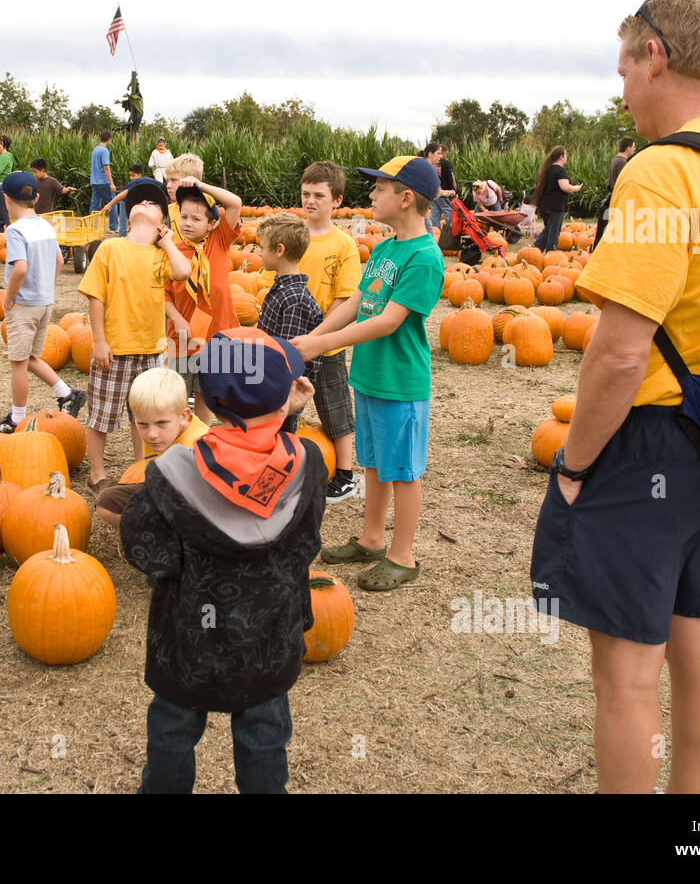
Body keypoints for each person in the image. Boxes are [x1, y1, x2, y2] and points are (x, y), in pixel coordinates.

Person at [530, 0, 700, 793]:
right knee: (697, 636)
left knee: (627, 674)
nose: (623, 90)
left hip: (653, 438)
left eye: (623, 69)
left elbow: (616, 355)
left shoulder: (662, 171)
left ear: (657, 56)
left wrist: (574, 463)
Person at [119, 328, 326, 794]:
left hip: (189, 645)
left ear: (205, 399)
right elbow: (303, 542)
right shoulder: (310, 465)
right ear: (282, 400)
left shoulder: (171, 477)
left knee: (172, 732)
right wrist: (285, 418)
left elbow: (145, 550)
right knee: (263, 737)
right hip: (268, 642)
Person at [292, 155, 443, 592]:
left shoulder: (425, 256)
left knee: (404, 471)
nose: (371, 195)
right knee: (375, 465)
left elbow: (388, 321)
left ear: (406, 197)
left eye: (379, 188)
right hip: (371, 377)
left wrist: (322, 345)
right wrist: (314, 335)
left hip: (402, 383)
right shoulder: (385, 248)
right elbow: (356, 302)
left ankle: (403, 555)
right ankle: (372, 539)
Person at [78, 178, 192, 492]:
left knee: (144, 414)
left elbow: (183, 272)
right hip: (114, 348)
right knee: (101, 414)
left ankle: (141, 469)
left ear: (163, 223)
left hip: (152, 349)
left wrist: (167, 241)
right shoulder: (111, 248)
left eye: (153, 203)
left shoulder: (162, 255)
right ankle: (98, 475)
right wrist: (99, 341)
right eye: (138, 201)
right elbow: (95, 297)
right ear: (129, 218)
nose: (144, 203)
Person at [0, 171, 87, 434]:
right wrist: (47, 286)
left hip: (24, 304)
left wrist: (8, 298)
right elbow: (57, 260)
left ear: (7, 199)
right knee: (30, 357)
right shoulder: (44, 225)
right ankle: (67, 393)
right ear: (37, 196)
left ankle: (16, 418)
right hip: (44, 302)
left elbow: (19, 268)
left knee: (18, 363)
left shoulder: (16, 230)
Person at [159, 164, 243, 424]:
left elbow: (236, 203)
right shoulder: (172, 251)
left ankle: (202, 444)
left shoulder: (218, 242)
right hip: (181, 337)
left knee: (206, 397)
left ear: (211, 224)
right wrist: (178, 319)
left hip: (216, 334)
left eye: (196, 219)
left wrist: (200, 186)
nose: (188, 223)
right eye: (184, 217)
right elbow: (164, 295)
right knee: (177, 398)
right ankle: (180, 450)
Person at [95, 366, 208, 527]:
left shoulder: (199, 446)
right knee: (107, 502)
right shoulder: (157, 435)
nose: (151, 434)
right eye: (142, 424)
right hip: (168, 492)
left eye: (161, 423)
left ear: (184, 417)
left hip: (198, 508)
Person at [254, 212, 323, 434]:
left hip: (280, 396)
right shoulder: (282, 290)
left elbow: (288, 360)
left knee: (278, 441)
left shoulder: (294, 299)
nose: (259, 252)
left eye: (262, 247)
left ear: (279, 250)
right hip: (267, 387)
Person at [531, 146, 582, 252]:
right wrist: (575, 188)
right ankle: (550, 253)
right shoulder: (560, 170)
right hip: (556, 206)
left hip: (545, 204)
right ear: (561, 156)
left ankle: (535, 250)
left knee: (549, 229)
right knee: (554, 231)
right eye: (566, 155)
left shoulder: (548, 169)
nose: (567, 157)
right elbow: (564, 187)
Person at [594, 138, 637, 244]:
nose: (634, 150)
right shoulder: (622, 162)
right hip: (616, 197)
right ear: (628, 148)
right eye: (633, 147)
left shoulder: (615, 160)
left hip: (611, 196)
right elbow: (623, 183)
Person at [423, 142, 454, 237]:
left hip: (422, 205)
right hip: (416, 205)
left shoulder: (429, 168)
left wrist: (445, 192)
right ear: (430, 153)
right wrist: (449, 191)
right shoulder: (424, 167)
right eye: (438, 153)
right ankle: (450, 235)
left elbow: (434, 188)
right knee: (428, 230)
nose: (441, 156)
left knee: (429, 229)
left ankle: (437, 238)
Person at [90, 132, 118, 233]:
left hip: (94, 181)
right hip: (103, 181)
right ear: (108, 139)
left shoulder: (95, 150)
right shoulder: (104, 151)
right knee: (113, 202)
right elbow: (106, 167)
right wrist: (111, 183)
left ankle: (92, 226)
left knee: (94, 205)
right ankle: (113, 227)